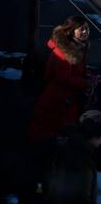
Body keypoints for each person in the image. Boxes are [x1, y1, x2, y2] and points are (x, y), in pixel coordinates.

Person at [29, 16, 93, 152]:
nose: (86, 32)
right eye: (82, 29)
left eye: (87, 29)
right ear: (71, 31)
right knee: (50, 129)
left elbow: (79, 70)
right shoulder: (62, 53)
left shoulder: (79, 47)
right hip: (57, 98)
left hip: (68, 98)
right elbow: (64, 78)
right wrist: (86, 82)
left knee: (63, 130)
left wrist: (89, 76)